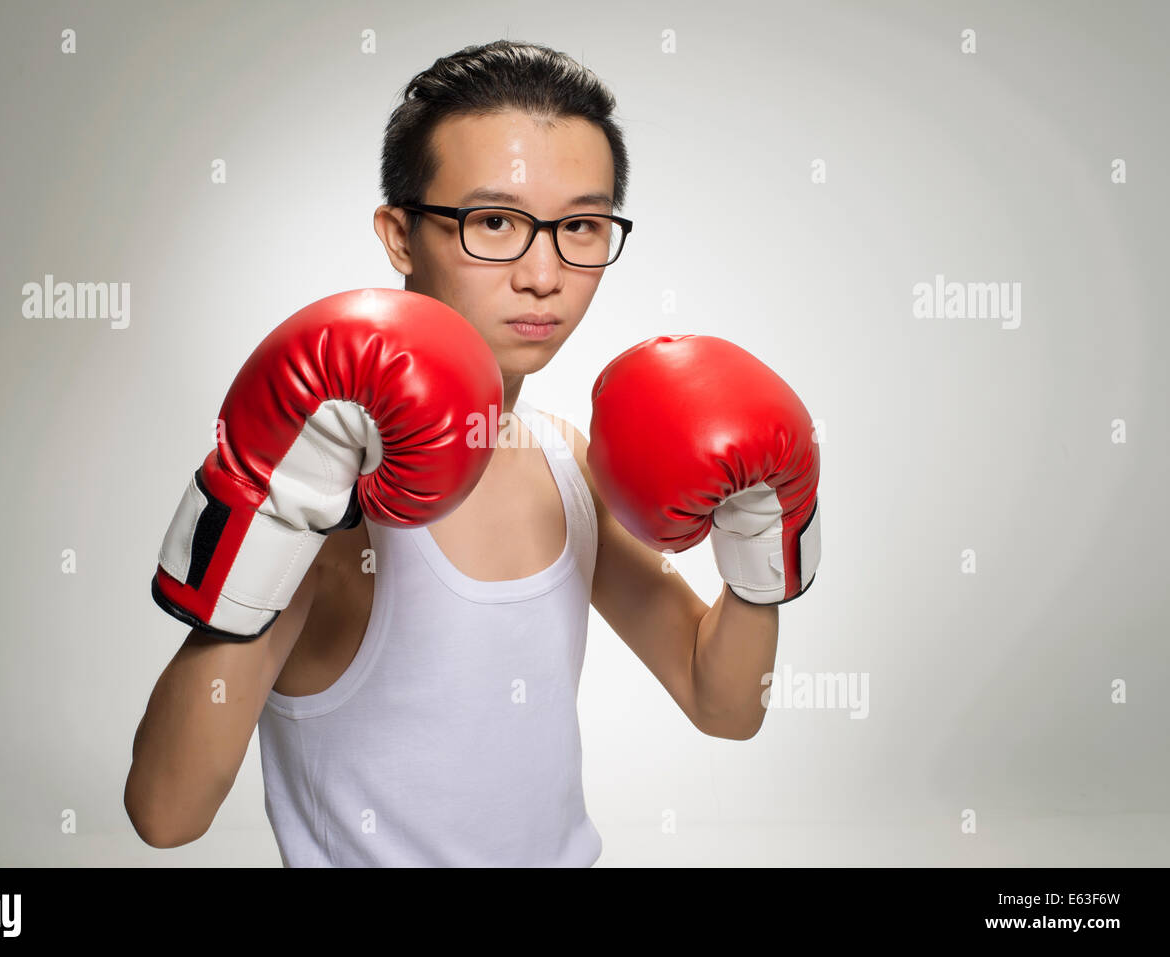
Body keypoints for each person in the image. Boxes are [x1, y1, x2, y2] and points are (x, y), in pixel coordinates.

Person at [124, 39, 820, 867]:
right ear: (400, 234)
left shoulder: (568, 464)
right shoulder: (333, 507)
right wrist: (266, 515)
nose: (542, 274)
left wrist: (760, 546)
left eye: (582, 228)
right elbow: (166, 813)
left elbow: (724, 704)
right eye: (495, 222)